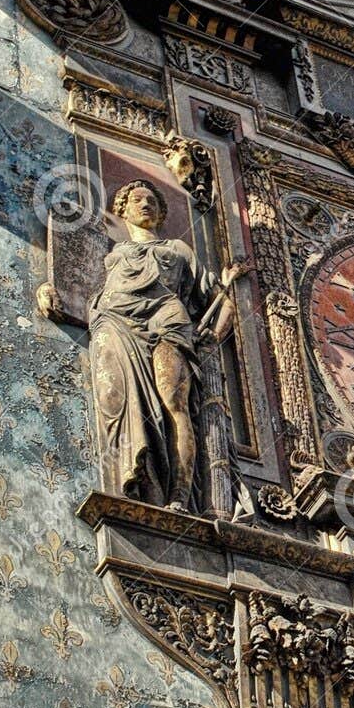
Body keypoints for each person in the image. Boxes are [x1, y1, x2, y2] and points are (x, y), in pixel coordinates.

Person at [89, 180, 243, 511]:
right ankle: (144, 481)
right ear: (123, 210)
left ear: (161, 212)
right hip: (116, 326)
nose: (145, 205)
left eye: (152, 201)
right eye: (137, 200)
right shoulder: (113, 255)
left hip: (167, 324)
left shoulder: (177, 249)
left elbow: (223, 302)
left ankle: (180, 495)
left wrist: (214, 334)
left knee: (174, 402)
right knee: (113, 397)